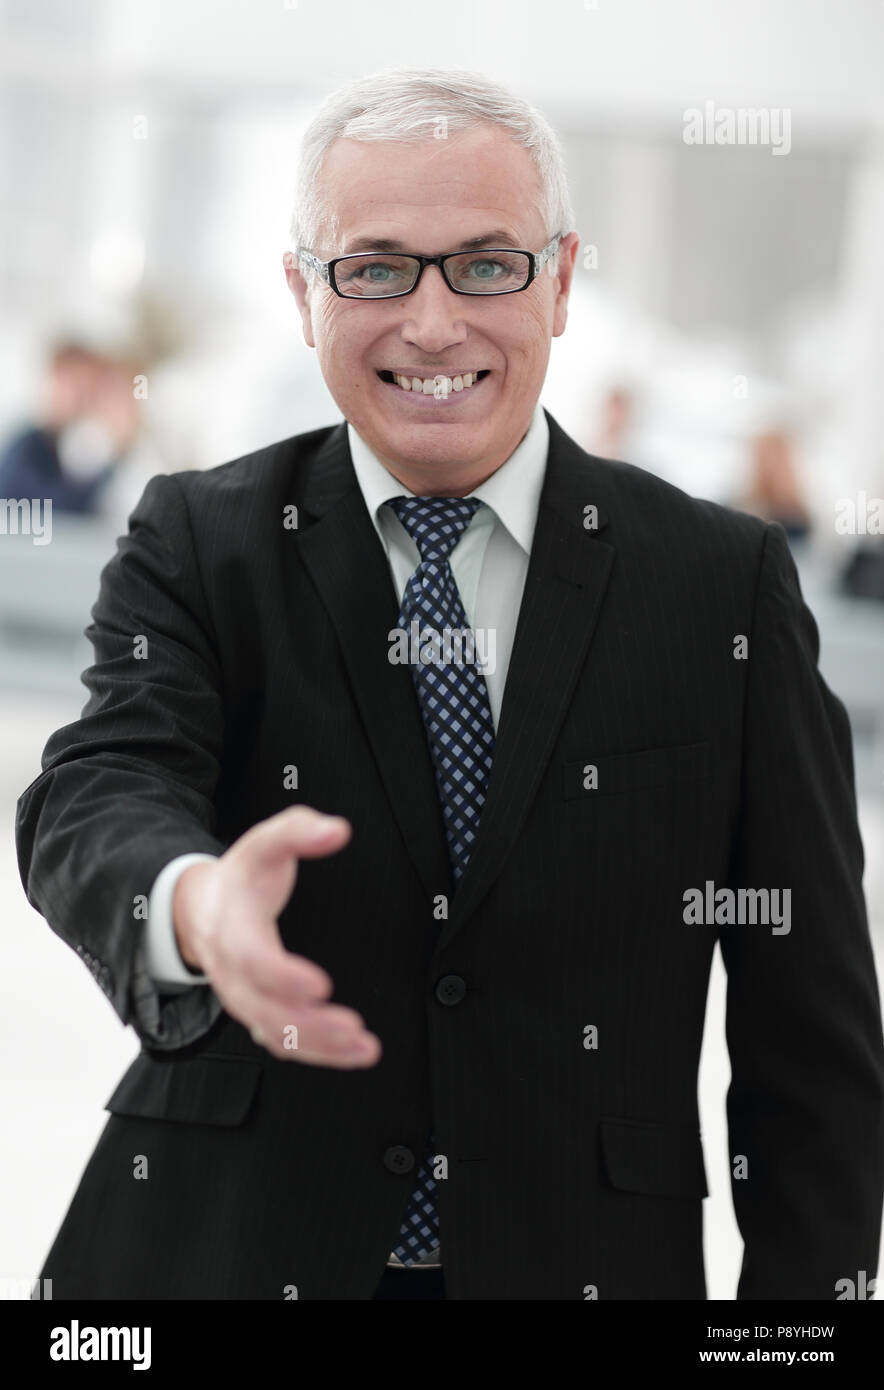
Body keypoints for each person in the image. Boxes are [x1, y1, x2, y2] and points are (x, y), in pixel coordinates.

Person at [16, 67, 884, 1302]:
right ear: (304, 293)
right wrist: (197, 904)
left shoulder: (720, 584)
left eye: (485, 264)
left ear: (563, 280)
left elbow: (813, 1037)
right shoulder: (198, 539)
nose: (431, 323)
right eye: (375, 268)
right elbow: (99, 786)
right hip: (214, 1259)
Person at [0, 341, 136, 514]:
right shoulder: (26, 449)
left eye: (88, 390)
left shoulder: (77, 450)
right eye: (75, 387)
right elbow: (54, 512)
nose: (81, 400)